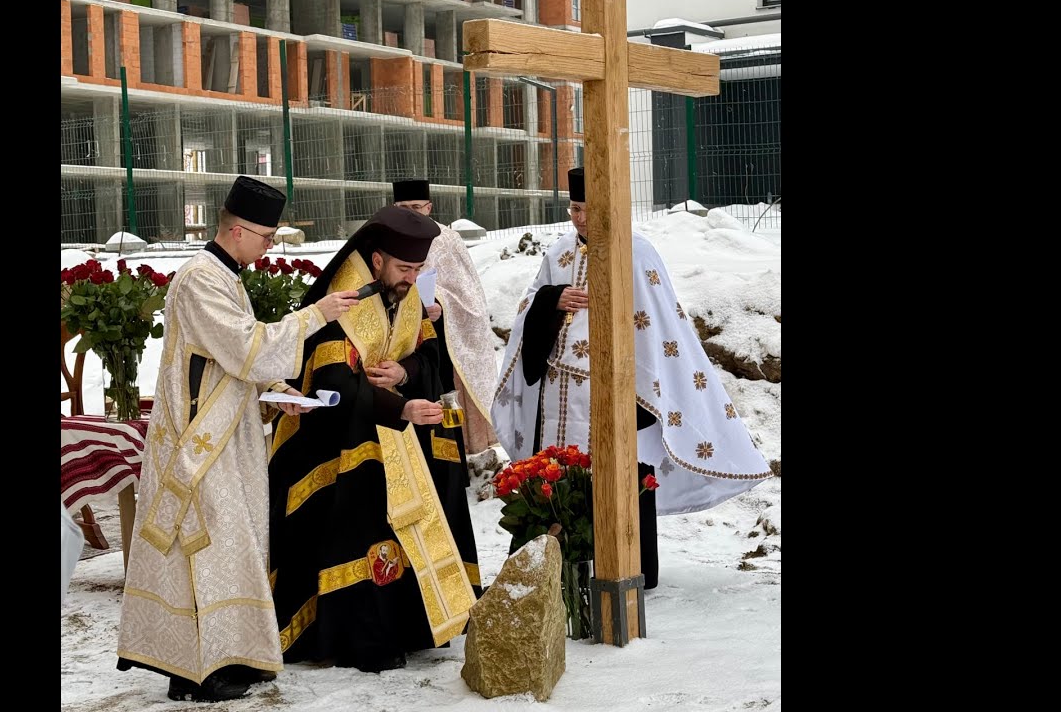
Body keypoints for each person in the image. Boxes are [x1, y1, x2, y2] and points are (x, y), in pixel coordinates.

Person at [116, 176, 361, 703]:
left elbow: (227, 362)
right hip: (199, 440)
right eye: (268, 238)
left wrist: (277, 389)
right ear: (239, 229)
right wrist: (317, 315)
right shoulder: (200, 280)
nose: (270, 247)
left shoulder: (227, 277)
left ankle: (233, 655)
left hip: (230, 433)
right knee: (205, 546)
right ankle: (193, 672)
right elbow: (247, 347)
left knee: (236, 543)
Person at [491, 168, 774, 590]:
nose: (580, 218)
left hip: (616, 390)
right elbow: (530, 308)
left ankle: (626, 566)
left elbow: (659, 325)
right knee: (559, 476)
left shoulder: (637, 254)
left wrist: (645, 389)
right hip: (561, 393)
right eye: (574, 209)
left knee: (619, 478)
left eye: (588, 209)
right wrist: (552, 301)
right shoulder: (559, 253)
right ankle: (561, 567)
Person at [267, 206, 482, 674]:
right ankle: (353, 635)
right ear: (378, 259)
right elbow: (331, 385)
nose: (413, 280)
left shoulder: (401, 289)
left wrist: (406, 372)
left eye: (420, 270)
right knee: (361, 496)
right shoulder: (341, 297)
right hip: (328, 438)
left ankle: (405, 625)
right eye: (406, 269)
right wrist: (400, 407)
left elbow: (430, 354)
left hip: (384, 429)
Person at [392, 179, 501, 462]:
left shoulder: (447, 239)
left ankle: (453, 461)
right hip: (397, 337)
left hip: (440, 336)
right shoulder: (385, 236)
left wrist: (440, 304)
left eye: (416, 207)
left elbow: (468, 295)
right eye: (403, 207)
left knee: (441, 393)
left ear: (429, 207)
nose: (410, 213)